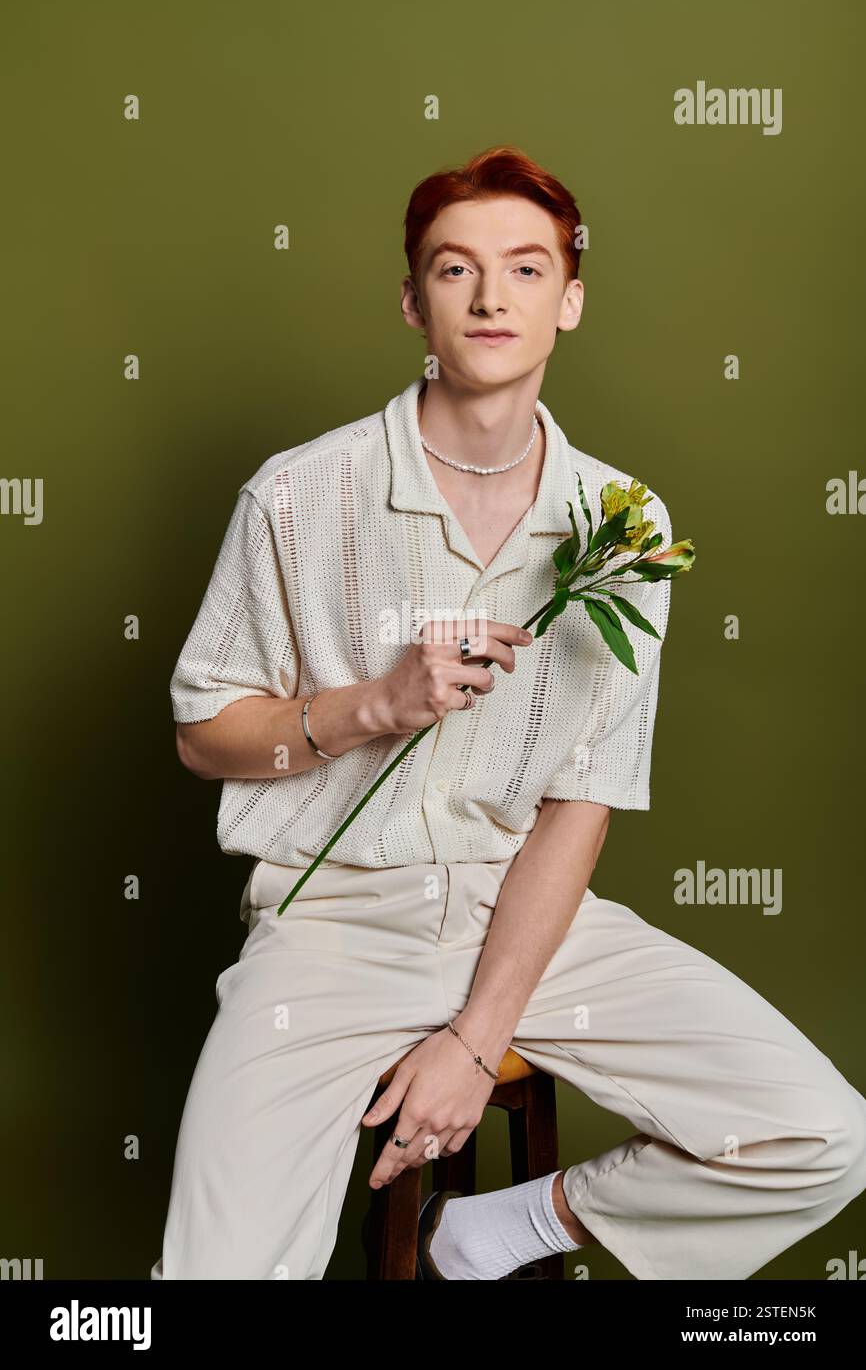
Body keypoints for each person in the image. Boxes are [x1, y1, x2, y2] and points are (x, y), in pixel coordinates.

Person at [150, 146, 866, 1280]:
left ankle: (494, 1232)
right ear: (411, 301)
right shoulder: (298, 493)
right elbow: (203, 735)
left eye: (526, 269)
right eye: (455, 269)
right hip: (332, 924)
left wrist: (476, 1045)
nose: (491, 298)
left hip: (527, 921)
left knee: (819, 1134)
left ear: (568, 300)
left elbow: (582, 801)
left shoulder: (623, 524)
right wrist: (370, 706)